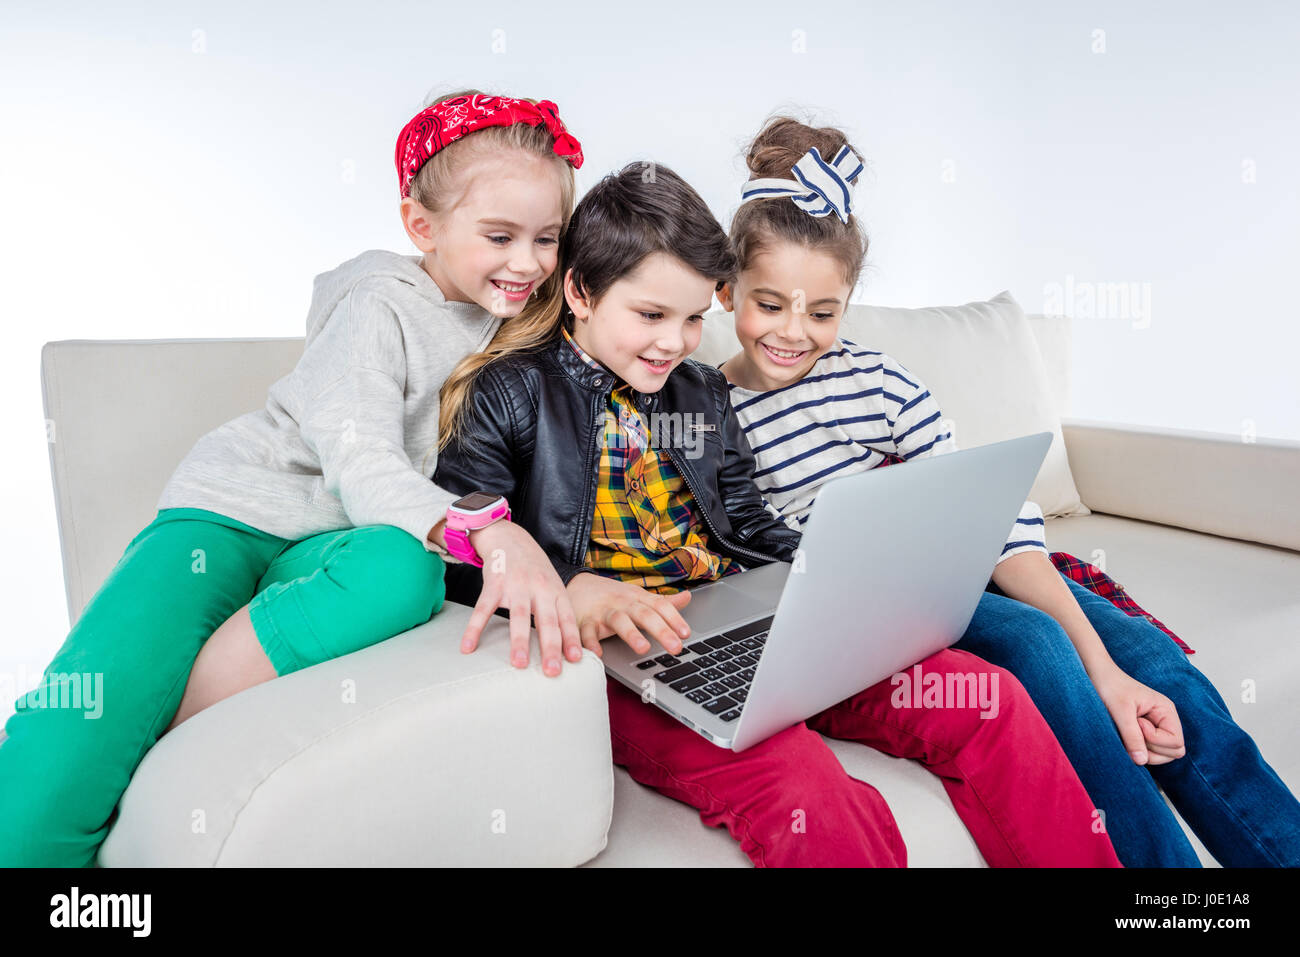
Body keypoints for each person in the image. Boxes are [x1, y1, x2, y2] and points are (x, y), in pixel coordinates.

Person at [431, 160, 1122, 867]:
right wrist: (572, 587)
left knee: (990, 699)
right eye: (651, 315)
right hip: (630, 662)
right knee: (809, 793)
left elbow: (746, 520)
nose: (674, 341)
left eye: (696, 317)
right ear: (579, 289)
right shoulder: (512, 394)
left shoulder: (697, 394)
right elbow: (460, 549)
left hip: (750, 623)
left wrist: (826, 566)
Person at [0, 88, 586, 867]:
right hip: (229, 519)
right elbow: (360, 457)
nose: (527, 262)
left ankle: (170, 730)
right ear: (422, 226)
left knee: (404, 571)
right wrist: (484, 531)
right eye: (500, 235)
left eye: (546, 239)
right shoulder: (376, 306)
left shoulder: (519, 319)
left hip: (341, 540)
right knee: (76, 729)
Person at [716, 112, 1300, 867]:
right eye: (769, 304)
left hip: (961, 570)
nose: (794, 332)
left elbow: (996, 526)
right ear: (727, 290)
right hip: (866, 613)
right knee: (1037, 643)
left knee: (1151, 662)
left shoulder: (878, 381)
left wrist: (1110, 669)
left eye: (824, 311)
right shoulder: (701, 405)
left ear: (848, 301)